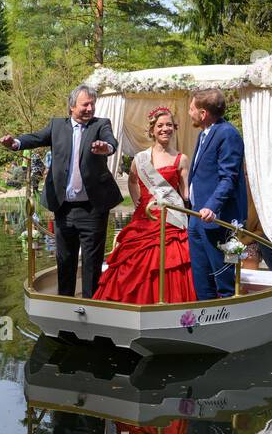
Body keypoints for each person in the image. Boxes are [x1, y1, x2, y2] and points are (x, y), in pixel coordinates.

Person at [0, 85, 122, 297]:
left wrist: (107, 148)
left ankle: (92, 306)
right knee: (65, 259)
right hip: (63, 208)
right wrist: (15, 143)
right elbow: (36, 138)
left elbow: (111, 142)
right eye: (85, 104)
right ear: (72, 106)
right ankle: (65, 304)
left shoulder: (101, 125)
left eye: (92, 104)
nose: (90, 108)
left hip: (93, 208)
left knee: (92, 262)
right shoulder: (57, 126)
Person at [92, 107, 196, 304]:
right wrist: (137, 199)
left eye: (168, 125)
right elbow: (132, 181)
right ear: (152, 130)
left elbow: (186, 194)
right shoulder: (140, 159)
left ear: (174, 128)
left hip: (171, 221)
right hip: (144, 219)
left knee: (172, 262)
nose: (165, 129)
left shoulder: (181, 159)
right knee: (133, 262)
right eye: (160, 125)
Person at [185, 88, 247, 300]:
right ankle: (205, 313)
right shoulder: (205, 134)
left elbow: (228, 177)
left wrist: (212, 206)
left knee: (223, 277)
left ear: (203, 113)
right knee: (201, 277)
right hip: (196, 215)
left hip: (217, 219)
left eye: (192, 108)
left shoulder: (228, 134)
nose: (189, 112)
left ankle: (227, 318)